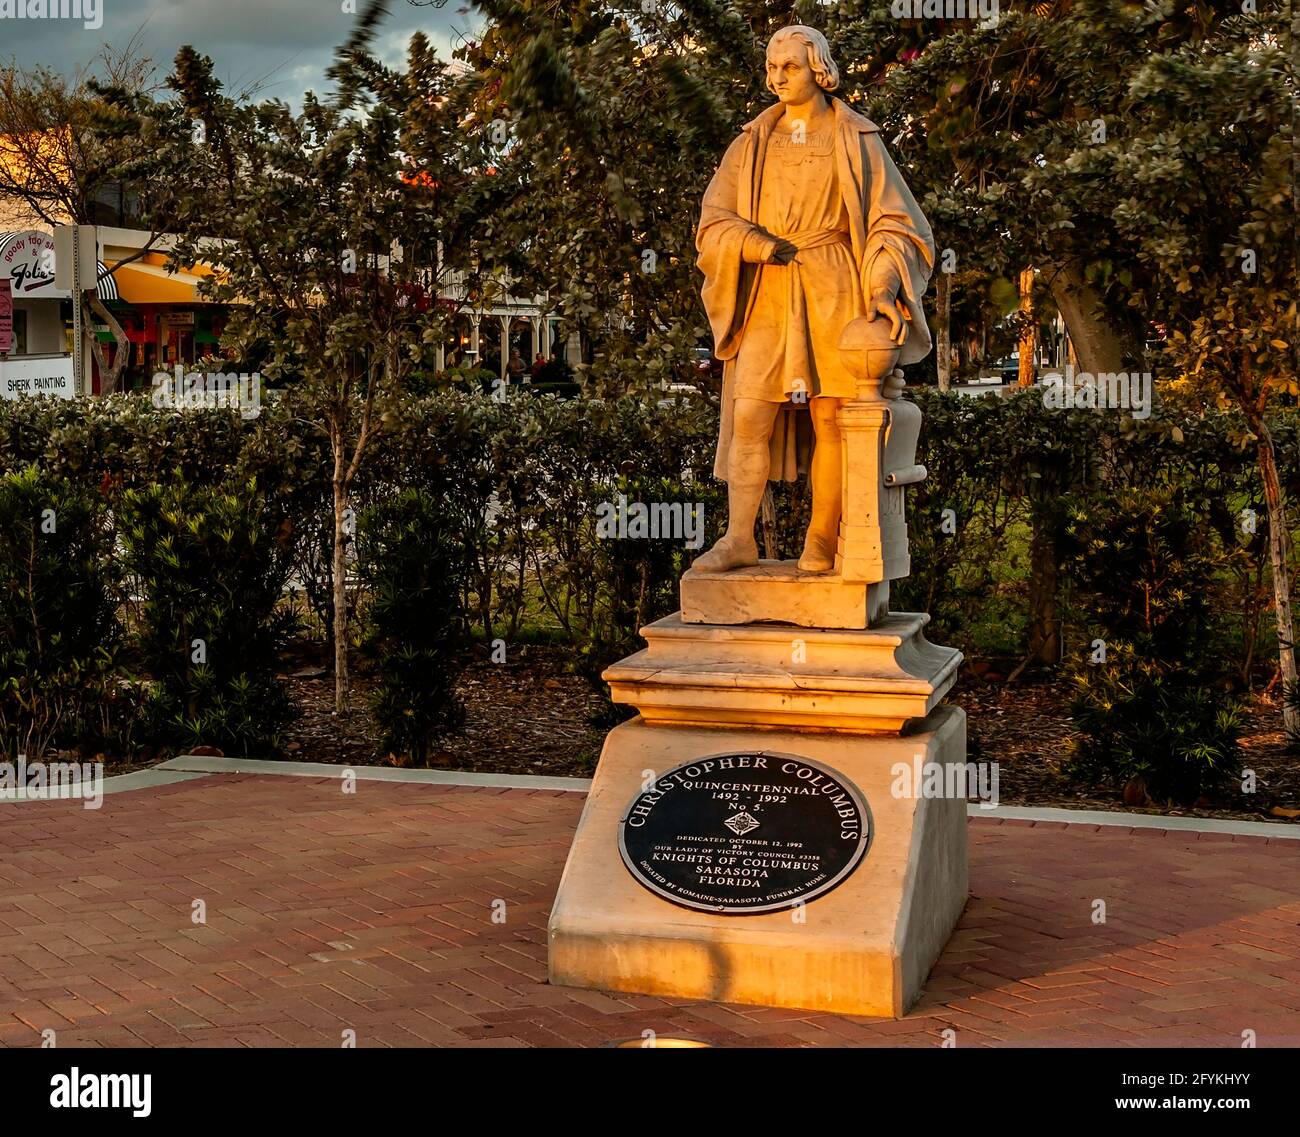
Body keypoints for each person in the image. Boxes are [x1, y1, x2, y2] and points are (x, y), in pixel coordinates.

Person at [693, 24, 934, 574]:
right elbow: (713, 223)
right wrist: (754, 244)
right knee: (749, 412)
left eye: (791, 68)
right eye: (772, 68)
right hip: (770, 287)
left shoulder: (856, 137)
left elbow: (897, 224)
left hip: (834, 285)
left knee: (832, 418)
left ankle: (822, 539)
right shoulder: (750, 142)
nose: (778, 79)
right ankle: (738, 538)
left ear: (819, 68)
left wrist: (882, 285)